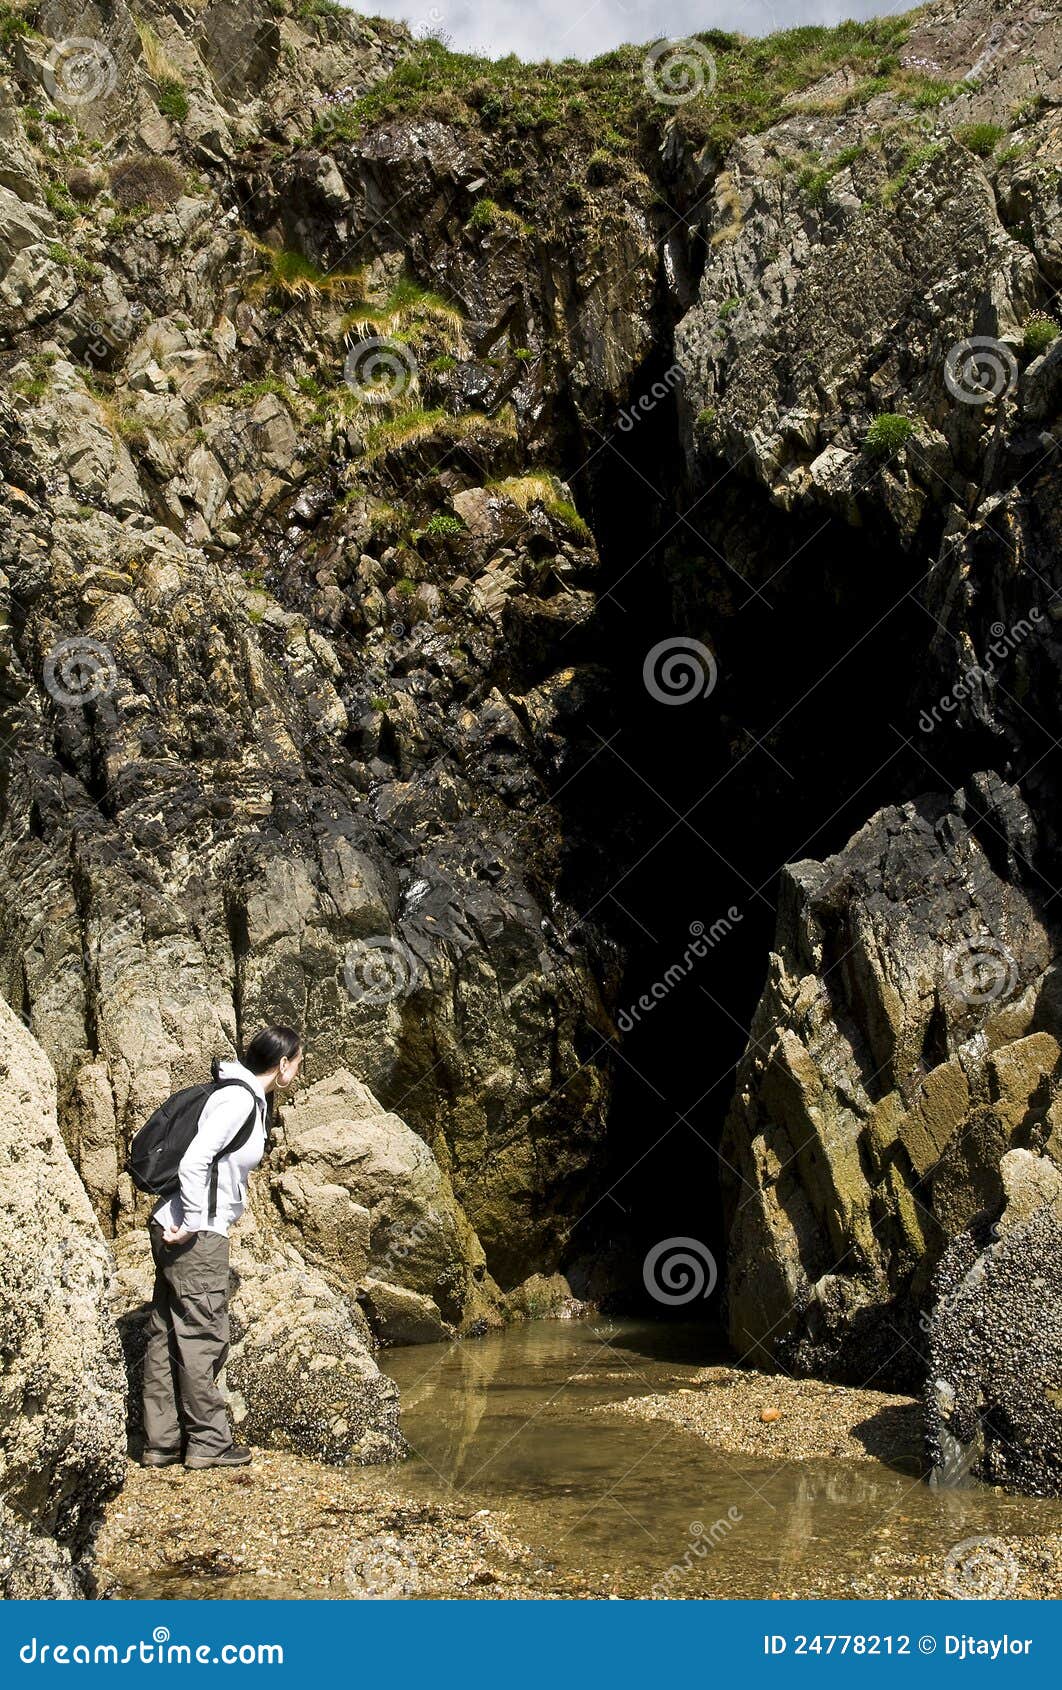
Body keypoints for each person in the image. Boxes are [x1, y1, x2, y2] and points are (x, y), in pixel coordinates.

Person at [140, 1025, 303, 1470]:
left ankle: (162, 1442)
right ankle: (209, 1443)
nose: (298, 1070)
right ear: (283, 1063)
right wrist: (194, 1223)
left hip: (175, 1224)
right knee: (201, 1334)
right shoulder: (239, 1099)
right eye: (298, 1062)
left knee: (166, 1332)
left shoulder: (241, 1094)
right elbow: (196, 1160)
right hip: (197, 1233)